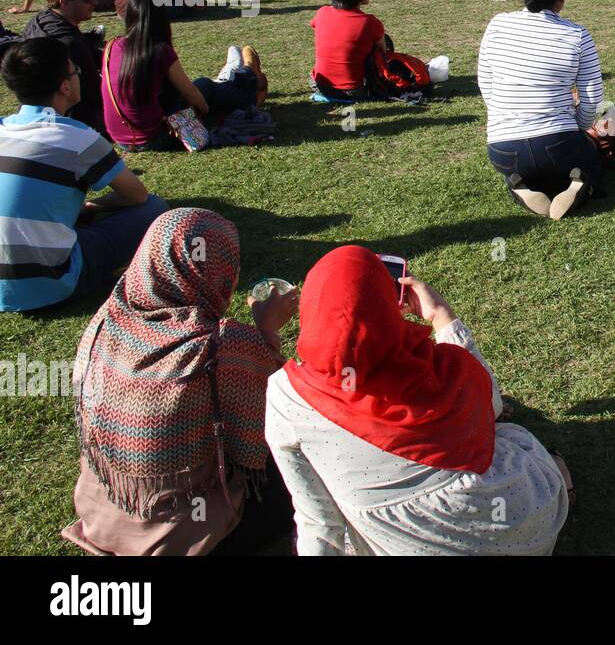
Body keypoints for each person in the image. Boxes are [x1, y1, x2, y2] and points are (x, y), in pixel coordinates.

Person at [265, 246, 569, 555]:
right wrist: (441, 316)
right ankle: (560, 479)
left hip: (405, 544)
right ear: (386, 308)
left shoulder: (286, 399)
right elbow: (493, 407)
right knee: (513, 438)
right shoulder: (437, 368)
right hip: (523, 530)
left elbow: (319, 523)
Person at [63, 208, 295, 556]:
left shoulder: (109, 318)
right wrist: (266, 333)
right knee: (299, 464)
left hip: (105, 515)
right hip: (187, 538)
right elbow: (282, 405)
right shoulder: (219, 347)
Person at [0, 38, 168, 312]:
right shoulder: (77, 136)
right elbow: (136, 195)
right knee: (153, 207)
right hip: (55, 283)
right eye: (75, 71)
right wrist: (91, 207)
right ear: (65, 86)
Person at [478, 0, 604, 219]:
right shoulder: (577, 35)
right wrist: (580, 127)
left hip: (503, 148)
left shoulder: (497, 25)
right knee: (591, 157)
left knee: (519, 167)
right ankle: (580, 186)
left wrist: (505, 113)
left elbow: (486, 84)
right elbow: (591, 98)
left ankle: (519, 185)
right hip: (559, 143)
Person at [101, 0, 261, 151]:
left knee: (201, 88)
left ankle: (238, 76)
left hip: (120, 139)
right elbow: (189, 92)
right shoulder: (159, 51)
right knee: (204, 85)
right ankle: (248, 83)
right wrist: (206, 110)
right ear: (160, 17)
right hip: (155, 137)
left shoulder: (111, 47)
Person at [21, 0, 104, 132]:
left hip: (41, 114)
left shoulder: (39, 20)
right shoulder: (70, 45)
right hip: (74, 122)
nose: (94, 2)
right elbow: (96, 93)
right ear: (64, 2)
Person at [309, 0, 386, 101]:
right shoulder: (370, 22)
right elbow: (383, 51)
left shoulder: (322, 12)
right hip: (352, 90)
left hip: (320, 85)